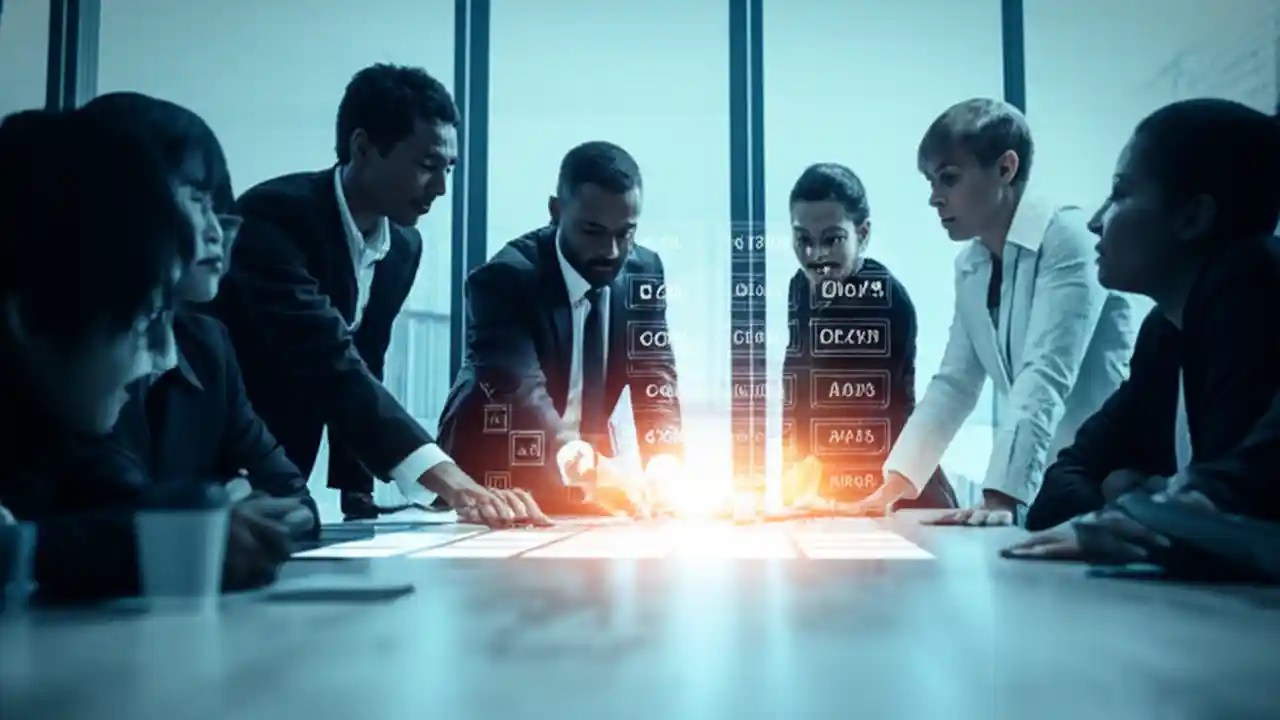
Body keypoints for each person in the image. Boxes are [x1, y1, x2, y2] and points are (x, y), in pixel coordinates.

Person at [206, 64, 544, 526]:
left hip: (287, 465)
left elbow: (366, 358)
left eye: (448, 169)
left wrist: (357, 495)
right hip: (218, 457)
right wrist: (450, 479)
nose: (441, 188)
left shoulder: (403, 245)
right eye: (427, 166)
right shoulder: (274, 216)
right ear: (363, 148)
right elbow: (326, 356)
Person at [0, 108, 284, 598]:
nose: (161, 354)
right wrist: (146, 548)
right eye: (142, 320)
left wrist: (194, 518)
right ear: (29, 314)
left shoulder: (61, 435)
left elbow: (118, 501)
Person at [1005, 99, 1280, 562]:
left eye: (1120, 193)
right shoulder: (1165, 332)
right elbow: (1060, 485)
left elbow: (1232, 514)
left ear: (1192, 217)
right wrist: (1142, 503)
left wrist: (1138, 503)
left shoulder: (1253, 289)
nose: (1096, 221)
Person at [849, 98, 1136, 525]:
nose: (934, 198)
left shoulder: (1069, 238)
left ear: (1005, 168)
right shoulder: (971, 264)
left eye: (949, 178)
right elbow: (954, 383)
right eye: (931, 182)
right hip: (1046, 484)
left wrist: (1000, 497)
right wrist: (890, 490)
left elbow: (1046, 373)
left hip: (1110, 478)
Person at [81, 92, 319, 541]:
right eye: (196, 200)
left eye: (216, 206)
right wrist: (204, 524)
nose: (216, 232)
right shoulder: (72, 343)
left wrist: (227, 522)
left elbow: (295, 499)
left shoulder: (206, 345)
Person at [436, 141, 684, 514]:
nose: (612, 251)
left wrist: (663, 463)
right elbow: (521, 393)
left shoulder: (644, 272)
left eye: (625, 233)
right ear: (556, 211)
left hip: (585, 492)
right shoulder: (504, 280)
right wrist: (589, 471)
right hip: (496, 481)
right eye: (593, 231)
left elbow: (654, 373)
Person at [780, 163, 956, 510]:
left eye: (832, 239)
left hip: (893, 493)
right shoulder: (801, 287)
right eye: (803, 239)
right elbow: (798, 388)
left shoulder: (884, 300)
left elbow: (859, 416)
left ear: (862, 234)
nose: (815, 255)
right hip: (834, 492)